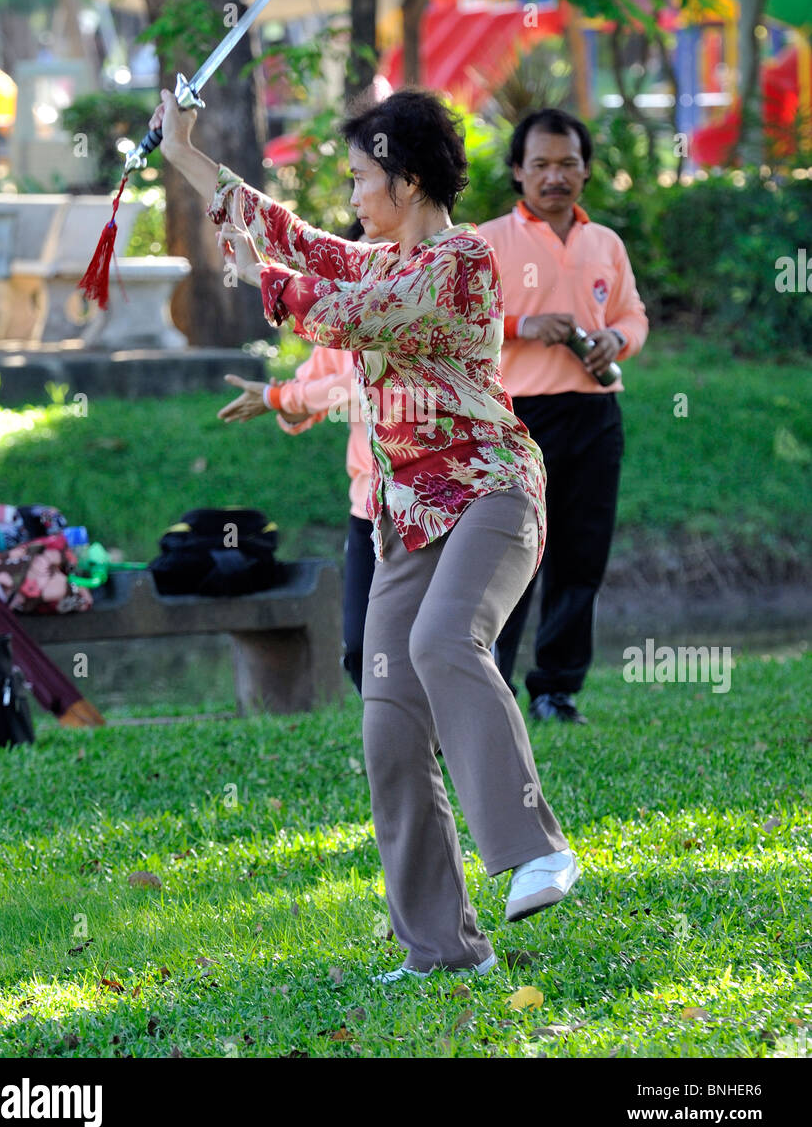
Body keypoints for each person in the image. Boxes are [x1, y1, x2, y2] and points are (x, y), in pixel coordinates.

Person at [149, 85, 579, 981]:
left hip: (491, 494)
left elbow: (340, 317)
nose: (348, 197)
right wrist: (185, 150)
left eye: (358, 179)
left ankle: (537, 847)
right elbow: (285, 231)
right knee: (387, 727)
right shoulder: (377, 262)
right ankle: (443, 948)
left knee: (443, 641)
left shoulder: (457, 264)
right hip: (404, 522)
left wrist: (258, 276)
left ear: (408, 179)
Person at [480, 108, 648, 725]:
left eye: (568, 164)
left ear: (586, 171)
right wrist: (524, 327)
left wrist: (618, 341)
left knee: (581, 555)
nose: (555, 176)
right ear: (518, 171)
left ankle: (556, 689)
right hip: (517, 418)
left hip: (597, 413)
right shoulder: (486, 242)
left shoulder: (605, 243)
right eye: (541, 164)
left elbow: (634, 317)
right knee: (508, 557)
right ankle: (489, 684)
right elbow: (453, 322)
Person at [217, 220, 374, 694]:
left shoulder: (425, 311)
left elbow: (369, 390)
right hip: (368, 504)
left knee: (444, 645)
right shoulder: (342, 327)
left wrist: (280, 396)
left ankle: (463, 743)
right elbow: (313, 391)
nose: (367, 273)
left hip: (436, 502)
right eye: (357, 262)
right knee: (362, 649)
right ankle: (414, 750)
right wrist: (279, 399)